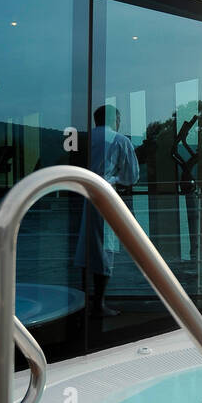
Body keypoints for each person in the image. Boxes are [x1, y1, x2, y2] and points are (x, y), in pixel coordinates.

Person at [74, 105, 140, 316]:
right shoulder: (120, 141)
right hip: (104, 196)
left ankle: (82, 299)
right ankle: (99, 303)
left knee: (85, 247)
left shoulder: (84, 139)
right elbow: (132, 176)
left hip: (81, 194)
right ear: (115, 120)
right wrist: (116, 179)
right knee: (105, 248)